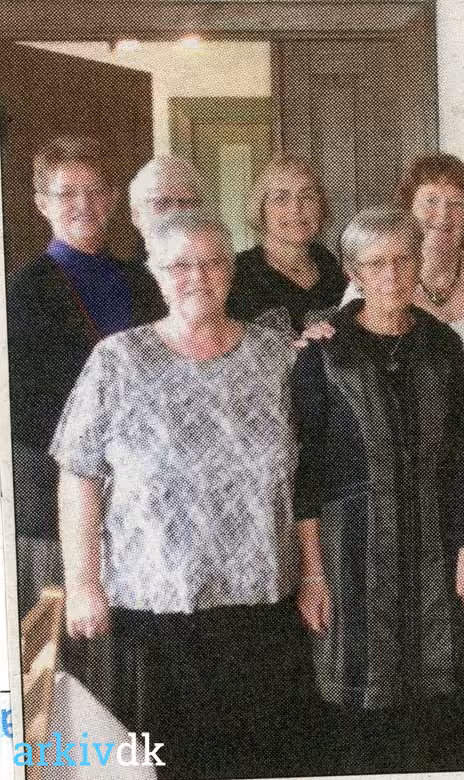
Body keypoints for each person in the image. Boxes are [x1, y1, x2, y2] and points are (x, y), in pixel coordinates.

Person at [50, 214, 312, 779]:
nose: (198, 276)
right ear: (155, 274)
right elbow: (78, 475)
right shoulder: (118, 359)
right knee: (166, 762)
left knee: (264, 758)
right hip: (153, 604)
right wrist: (83, 584)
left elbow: (311, 467)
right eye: (180, 265)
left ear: (232, 270)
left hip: (259, 599)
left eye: (213, 262)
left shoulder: (276, 356)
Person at [293, 207, 464, 774]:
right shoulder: (323, 348)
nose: (394, 274)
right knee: (358, 699)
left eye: (405, 258)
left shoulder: (443, 345)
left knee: (437, 698)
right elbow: (304, 471)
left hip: (434, 545)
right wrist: (311, 571)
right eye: (376, 263)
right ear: (353, 269)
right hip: (349, 551)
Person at [10, 137, 167, 621]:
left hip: (143, 493)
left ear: (114, 197)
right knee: (65, 650)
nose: (84, 205)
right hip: (57, 500)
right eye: (66, 193)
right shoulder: (21, 293)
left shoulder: (144, 280)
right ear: (41, 204)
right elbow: (26, 411)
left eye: (96, 190)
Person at [340, 153, 464, 366]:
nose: (443, 215)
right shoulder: (376, 282)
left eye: (456, 204)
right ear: (408, 210)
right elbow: (342, 345)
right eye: (431, 201)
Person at [227, 156, 344, 331]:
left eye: (307, 196)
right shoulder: (237, 272)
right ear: (261, 209)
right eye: (281, 198)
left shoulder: (327, 262)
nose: (296, 208)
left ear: (322, 207)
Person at [127, 154, 206, 257]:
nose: (176, 212)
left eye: (186, 203)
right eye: (162, 203)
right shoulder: (118, 272)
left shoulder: (229, 268)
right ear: (136, 216)